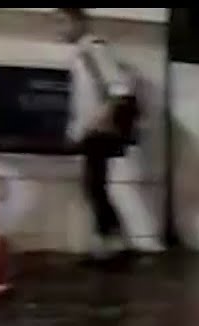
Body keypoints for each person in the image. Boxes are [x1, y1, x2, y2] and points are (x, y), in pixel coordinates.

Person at [56, 7, 138, 267]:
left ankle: (115, 246)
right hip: (93, 131)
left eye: (63, 22)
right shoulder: (82, 54)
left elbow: (120, 90)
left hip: (100, 132)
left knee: (94, 187)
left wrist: (96, 123)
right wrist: (77, 131)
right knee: (94, 187)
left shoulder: (94, 49)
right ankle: (108, 245)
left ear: (78, 22)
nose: (59, 28)